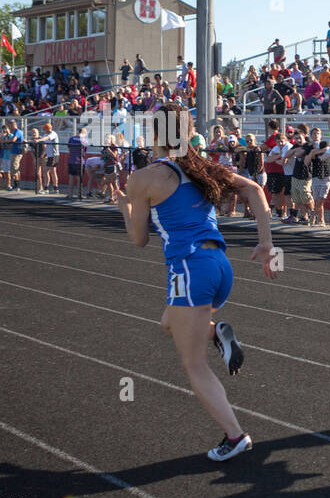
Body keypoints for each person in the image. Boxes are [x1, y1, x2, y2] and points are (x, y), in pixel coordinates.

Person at [115, 123, 278, 461]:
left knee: (194, 366)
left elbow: (139, 239)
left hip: (190, 268)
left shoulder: (144, 178)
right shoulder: (204, 167)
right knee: (169, 322)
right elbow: (256, 192)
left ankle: (235, 437)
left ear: (157, 137)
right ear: (187, 135)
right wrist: (266, 243)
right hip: (219, 264)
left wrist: (125, 210)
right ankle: (217, 332)